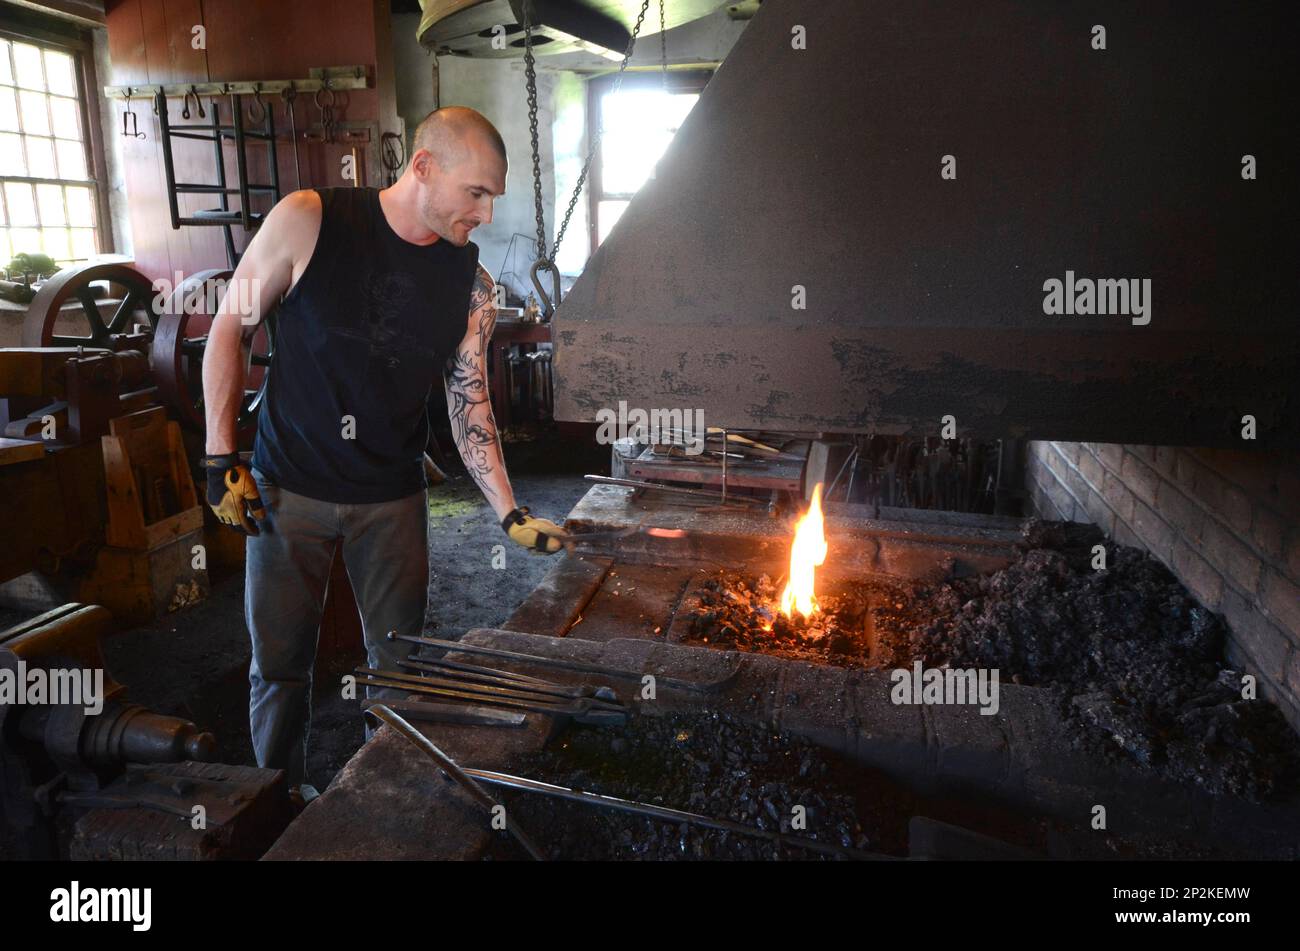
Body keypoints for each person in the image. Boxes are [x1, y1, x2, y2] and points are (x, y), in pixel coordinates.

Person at [200, 106, 564, 792]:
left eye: (493, 196)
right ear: (423, 167)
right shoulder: (309, 219)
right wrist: (220, 460)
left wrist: (510, 513)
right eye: (476, 192)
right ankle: (275, 797)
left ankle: (382, 798)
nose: (484, 214)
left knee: (399, 669)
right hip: (288, 488)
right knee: (278, 666)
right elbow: (229, 327)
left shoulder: (472, 284)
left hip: (392, 497)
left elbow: (470, 401)